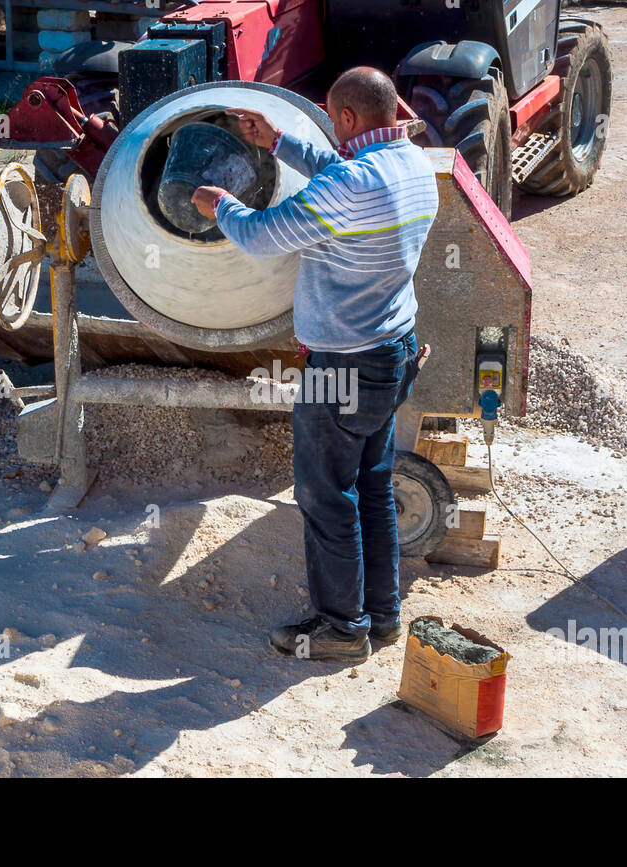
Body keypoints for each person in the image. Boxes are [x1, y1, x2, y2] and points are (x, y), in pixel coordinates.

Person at [190, 67, 439, 662]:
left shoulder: (352, 185)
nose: (331, 128)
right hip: (393, 351)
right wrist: (278, 142)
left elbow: (262, 236)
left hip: (343, 369)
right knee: (372, 487)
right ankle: (381, 617)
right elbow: (343, 173)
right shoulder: (412, 167)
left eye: (333, 120)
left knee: (327, 495)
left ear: (348, 118)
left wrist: (219, 204)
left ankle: (341, 629)